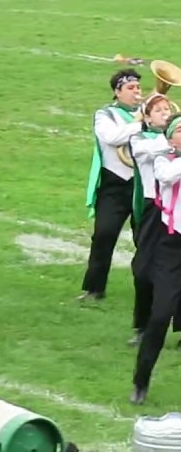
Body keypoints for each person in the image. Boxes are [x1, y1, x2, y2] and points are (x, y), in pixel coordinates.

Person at [80, 69, 146, 302]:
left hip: (143, 185)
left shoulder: (149, 113)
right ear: (117, 92)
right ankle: (94, 288)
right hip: (114, 184)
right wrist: (140, 123)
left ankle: (152, 290)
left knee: (146, 241)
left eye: (138, 87)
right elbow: (112, 138)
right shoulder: (105, 115)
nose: (136, 92)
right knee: (103, 235)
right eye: (130, 88)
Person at [131, 113, 181, 405]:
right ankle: (141, 380)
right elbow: (168, 177)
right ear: (171, 136)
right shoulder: (163, 159)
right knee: (160, 315)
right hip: (172, 247)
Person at [127, 95, 176, 345]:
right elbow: (152, 150)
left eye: (167, 109)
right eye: (157, 110)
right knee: (143, 269)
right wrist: (172, 141)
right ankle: (142, 326)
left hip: (175, 211)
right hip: (151, 210)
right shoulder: (140, 139)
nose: (164, 113)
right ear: (146, 117)